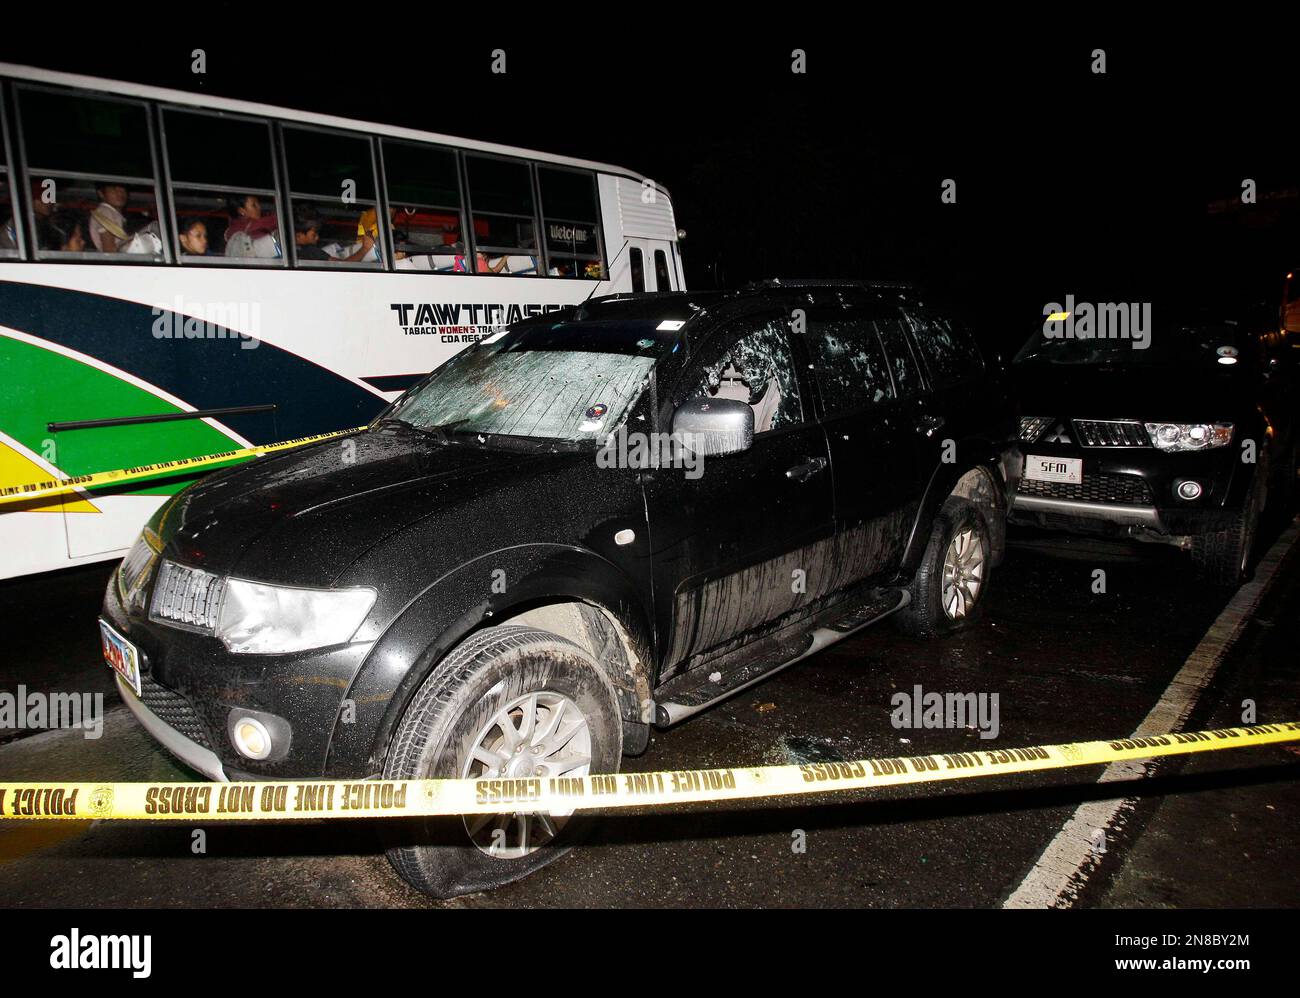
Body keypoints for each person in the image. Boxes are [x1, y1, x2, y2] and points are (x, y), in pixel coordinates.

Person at [88, 182, 129, 252]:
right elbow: (109, 250)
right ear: (101, 194)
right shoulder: (105, 211)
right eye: (113, 189)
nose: (120, 193)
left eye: (123, 190)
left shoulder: (112, 212)